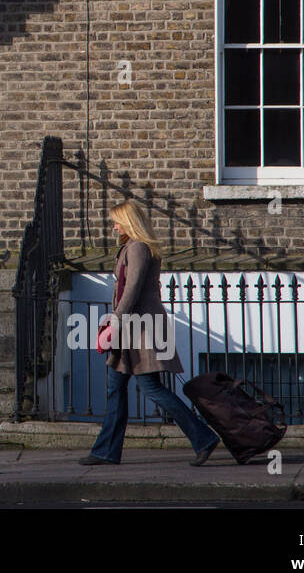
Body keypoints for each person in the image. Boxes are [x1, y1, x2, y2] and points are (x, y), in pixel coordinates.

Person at [78, 200, 220, 466]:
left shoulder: (139, 248)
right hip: (130, 327)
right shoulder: (131, 247)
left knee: (151, 388)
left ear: (129, 222)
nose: (114, 226)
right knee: (115, 389)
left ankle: (203, 438)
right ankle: (105, 452)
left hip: (142, 328)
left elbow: (131, 290)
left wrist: (115, 322)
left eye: (117, 220)